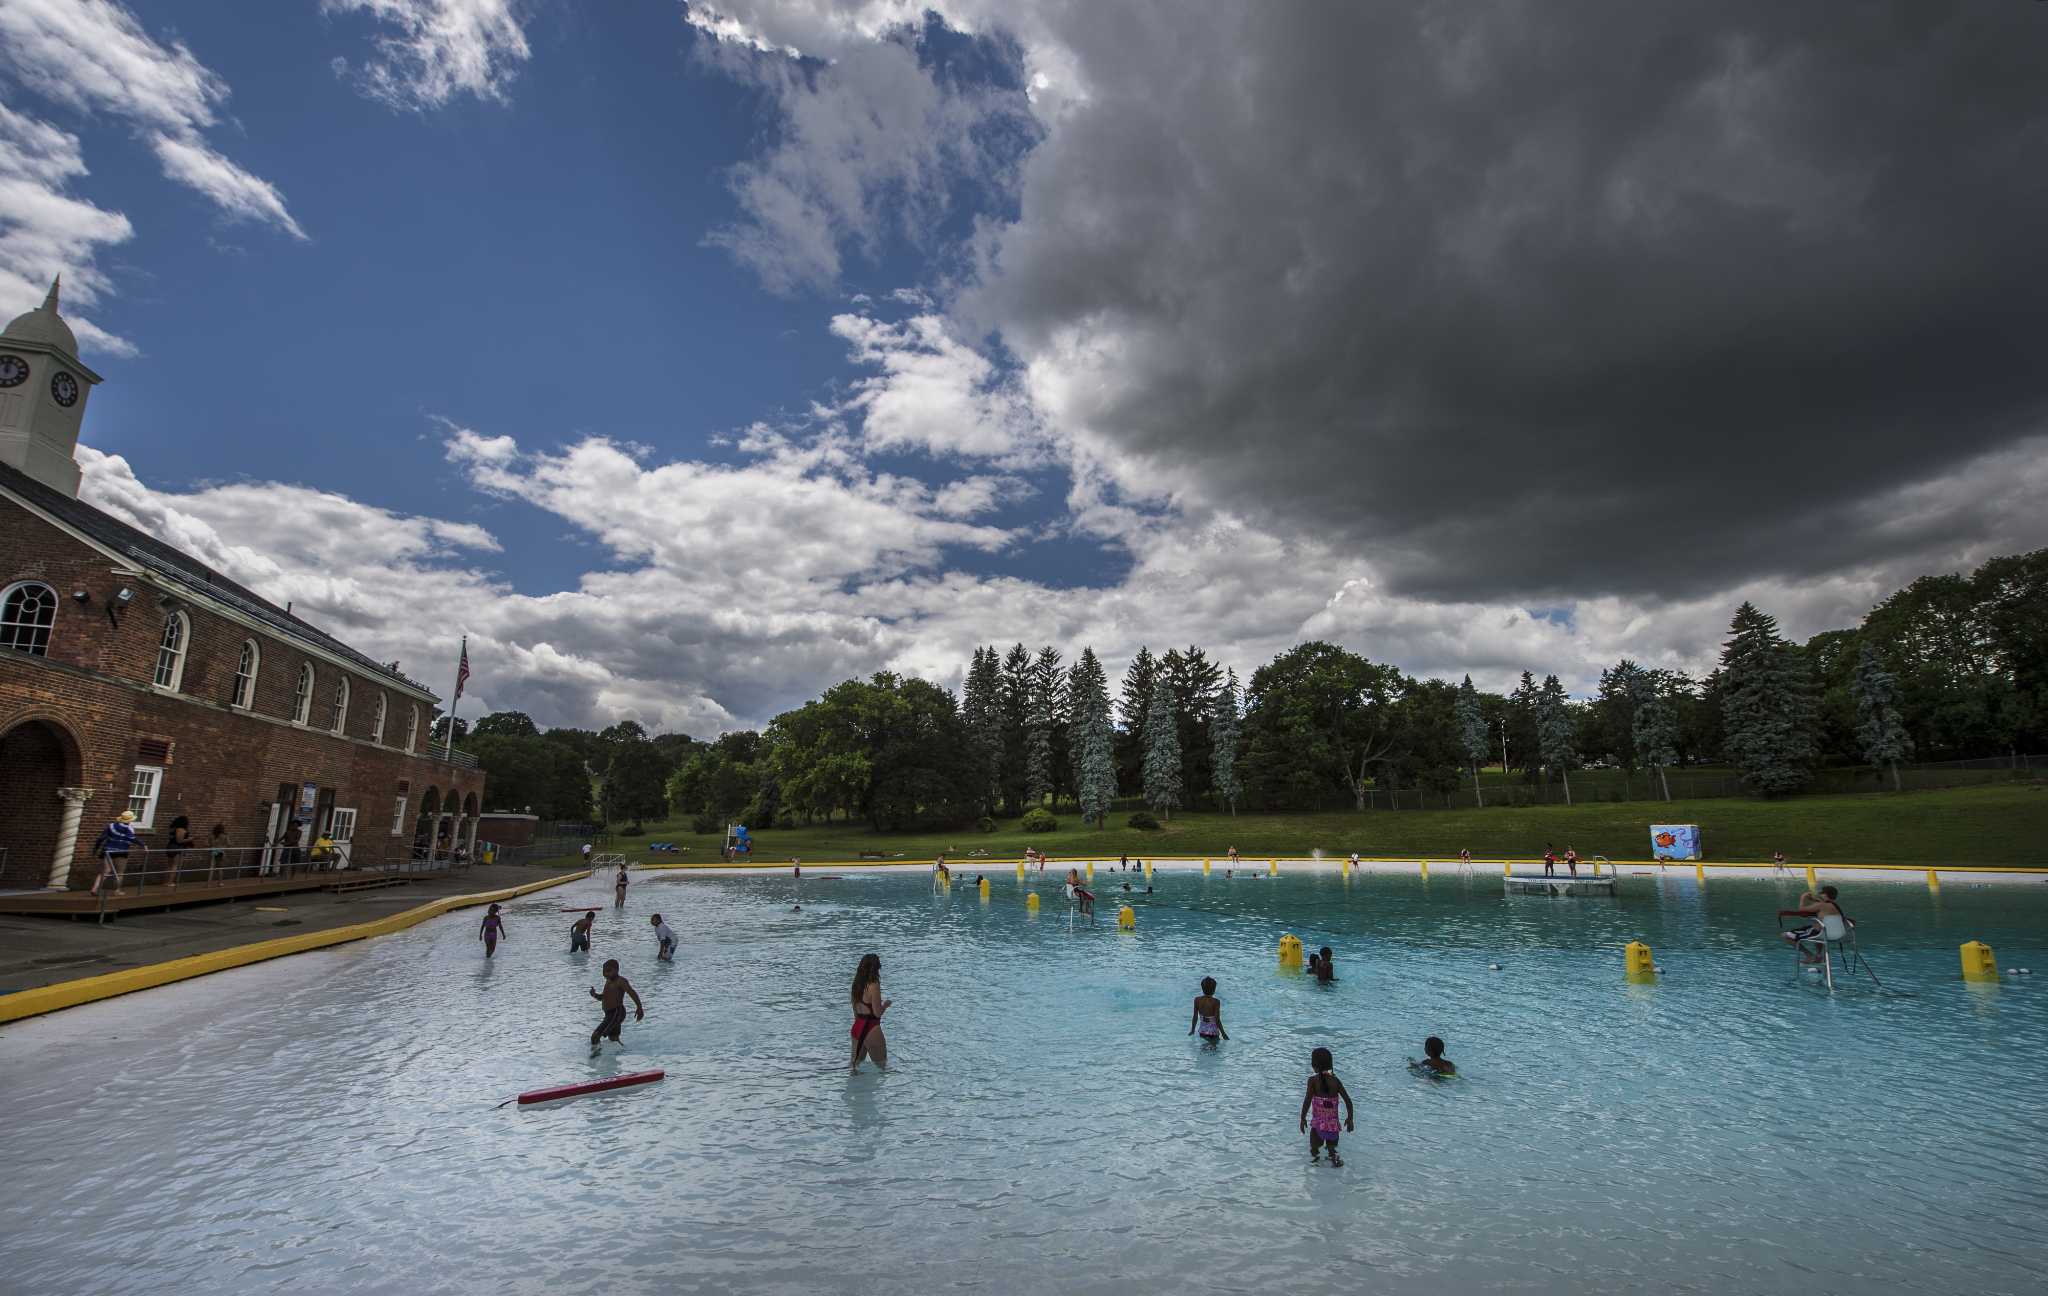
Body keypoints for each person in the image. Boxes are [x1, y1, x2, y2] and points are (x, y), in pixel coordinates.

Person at [1299, 1047, 1355, 1166]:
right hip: (1333, 1126)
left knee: (1314, 1152)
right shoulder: (1336, 1081)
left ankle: (1316, 1168)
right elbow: (1348, 1101)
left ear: (1314, 1066)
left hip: (1318, 1126)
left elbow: (1307, 1101)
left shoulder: (1312, 1081)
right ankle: (1334, 1161)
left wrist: (1302, 1118)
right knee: (1332, 1151)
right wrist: (1350, 1119)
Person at [1779, 886, 1849, 964]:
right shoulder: (1836, 906)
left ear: (1825, 895)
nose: (1820, 895)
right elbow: (1822, 906)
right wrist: (1814, 900)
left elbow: (1801, 909)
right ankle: (1818, 955)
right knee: (1818, 931)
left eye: (1821, 893)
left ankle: (1809, 955)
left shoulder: (1821, 905)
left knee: (1786, 936)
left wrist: (1803, 897)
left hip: (1822, 933)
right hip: (1838, 934)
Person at [589, 959, 644, 1056]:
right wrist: (594, 995)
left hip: (617, 1012)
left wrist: (639, 1007)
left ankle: (594, 1059)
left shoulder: (620, 981)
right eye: (604, 972)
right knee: (613, 1039)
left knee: (595, 1036)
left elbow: (632, 992)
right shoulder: (608, 981)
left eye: (608, 971)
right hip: (609, 1014)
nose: (605, 974)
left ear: (616, 970)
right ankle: (625, 1054)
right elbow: (604, 997)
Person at [849, 953, 891, 1073]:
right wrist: (885, 1005)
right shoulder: (874, 985)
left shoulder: (855, 984)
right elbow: (877, 1013)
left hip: (857, 1028)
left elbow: (855, 1013)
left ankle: (856, 1091)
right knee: (882, 1069)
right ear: (875, 969)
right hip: (871, 1029)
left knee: (854, 1069)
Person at [90, 810, 138, 897]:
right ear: (130, 820)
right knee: (119, 872)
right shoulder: (129, 828)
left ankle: (95, 888)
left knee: (105, 871)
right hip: (122, 852)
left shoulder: (111, 826)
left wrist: (95, 850)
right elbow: (132, 839)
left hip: (108, 851)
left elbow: (101, 838)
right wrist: (143, 845)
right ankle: (117, 891)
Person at [1189, 977, 1227, 1044]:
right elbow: (1217, 1020)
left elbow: (1195, 1017)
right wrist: (1223, 1034)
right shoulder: (1216, 1002)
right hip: (1213, 1032)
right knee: (1214, 1051)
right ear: (1214, 989)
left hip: (1202, 1031)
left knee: (1203, 1049)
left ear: (1202, 989)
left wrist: (1192, 1030)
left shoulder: (1197, 1000)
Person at [162, 816, 192, 888]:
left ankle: (166, 881)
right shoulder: (181, 829)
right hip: (177, 848)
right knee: (174, 866)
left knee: (169, 865)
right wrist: (190, 839)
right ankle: (170, 882)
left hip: (170, 846)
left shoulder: (173, 829)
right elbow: (179, 841)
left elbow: (171, 838)